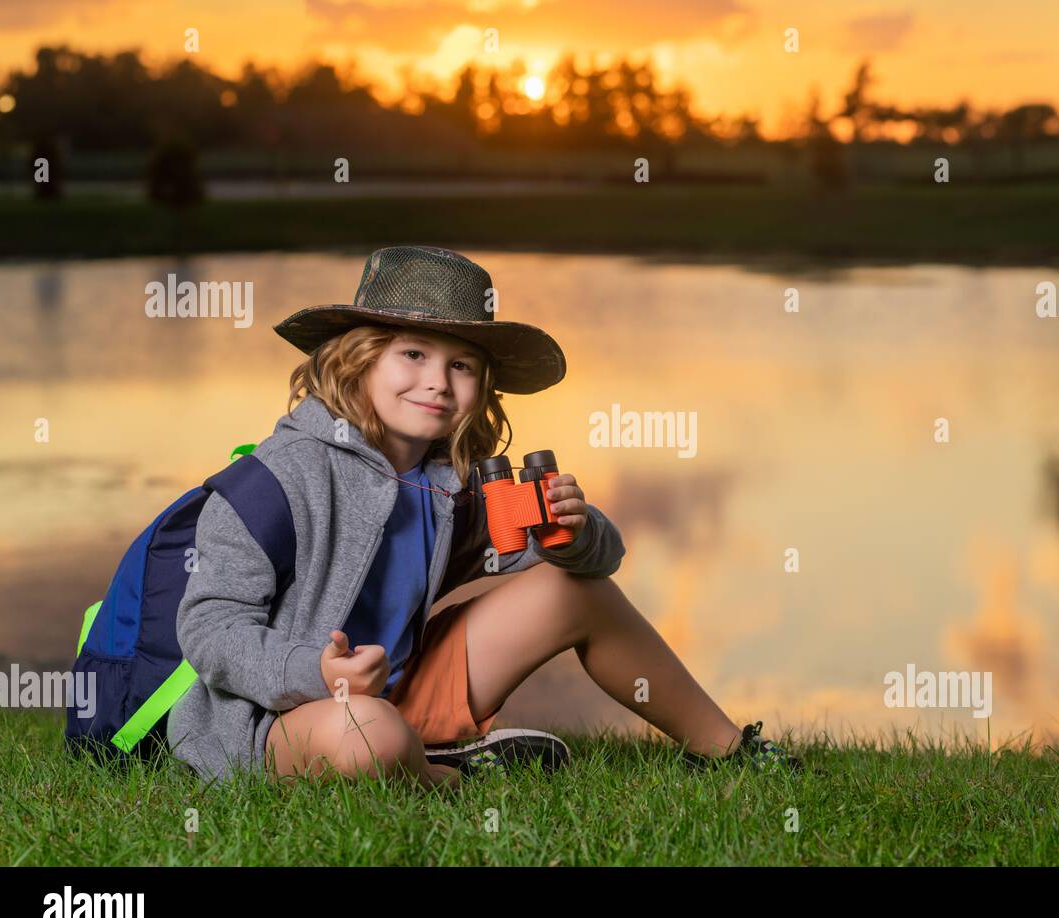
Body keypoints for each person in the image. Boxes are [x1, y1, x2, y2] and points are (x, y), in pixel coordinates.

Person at [167, 246, 801, 789]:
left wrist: (577, 535)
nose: (438, 382)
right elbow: (209, 629)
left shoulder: (454, 483)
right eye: (413, 355)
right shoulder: (275, 479)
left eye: (461, 365)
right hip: (285, 721)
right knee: (372, 737)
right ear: (357, 360)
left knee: (574, 587)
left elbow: (595, 560)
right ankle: (445, 774)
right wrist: (316, 672)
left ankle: (729, 753)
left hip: (405, 689)